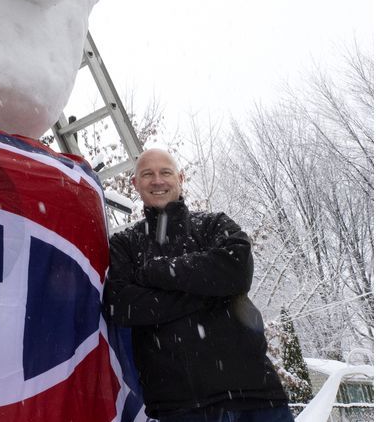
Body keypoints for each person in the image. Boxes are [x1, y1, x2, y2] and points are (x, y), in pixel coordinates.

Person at [104, 148, 293, 422]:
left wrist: (157, 271)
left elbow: (238, 271)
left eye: (166, 172)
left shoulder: (214, 224)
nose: (158, 180)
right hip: (180, 407)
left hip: (258, 399)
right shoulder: (124, 244)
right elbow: (122, 306)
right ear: (135, 183)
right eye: (147, 174)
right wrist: (210, 292)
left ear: (180, 178)